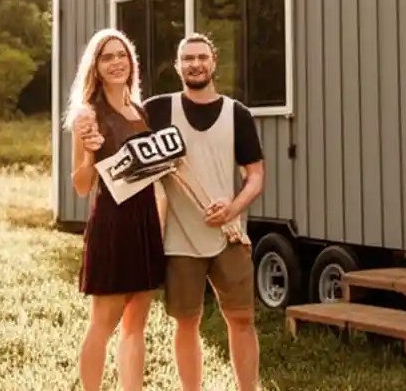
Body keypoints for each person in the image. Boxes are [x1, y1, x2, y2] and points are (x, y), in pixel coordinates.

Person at [143, 32, 265, 391]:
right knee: (186, 323)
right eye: (187, 58)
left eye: (202, 57)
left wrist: (232, 208)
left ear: (213, 63)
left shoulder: (237, 114)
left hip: (229, 236)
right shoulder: (157, 110)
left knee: (241, 319)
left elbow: (255, 176)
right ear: (177, 65)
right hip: (180, 239)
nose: (195, 64)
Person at [64, 28, 166, 391]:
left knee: (136, 325)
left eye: (122, 55)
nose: (116, 62)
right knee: (103, 322)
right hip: (113, 223)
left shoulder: (140, 110)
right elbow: (81, 185)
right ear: (96, 67)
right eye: (107, 57)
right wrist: (89, 153)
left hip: (145, 223)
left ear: (131, 62)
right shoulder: (88, 115)